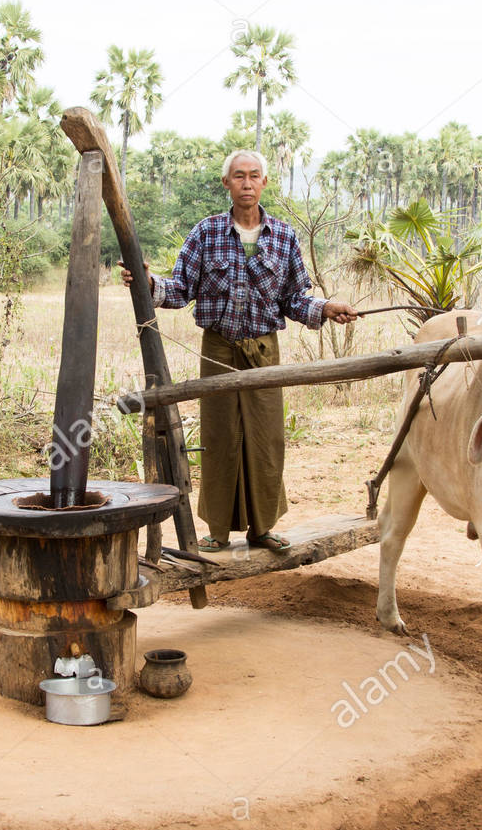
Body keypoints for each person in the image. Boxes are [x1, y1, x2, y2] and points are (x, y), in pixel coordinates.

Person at [121, 148, 358, 552]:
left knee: (266, 439)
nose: (246, 184)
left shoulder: (283, 237)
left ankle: (262, 529)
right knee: (220, 436)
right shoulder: (206, 232)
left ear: (264, 183)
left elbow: (295, 298)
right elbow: (181, 289)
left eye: (253, 176)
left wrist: (325, 308)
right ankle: (216, 531)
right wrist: (148, 281)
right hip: (218, 350)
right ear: (226, 183)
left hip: (265, 352)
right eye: (238, 176)